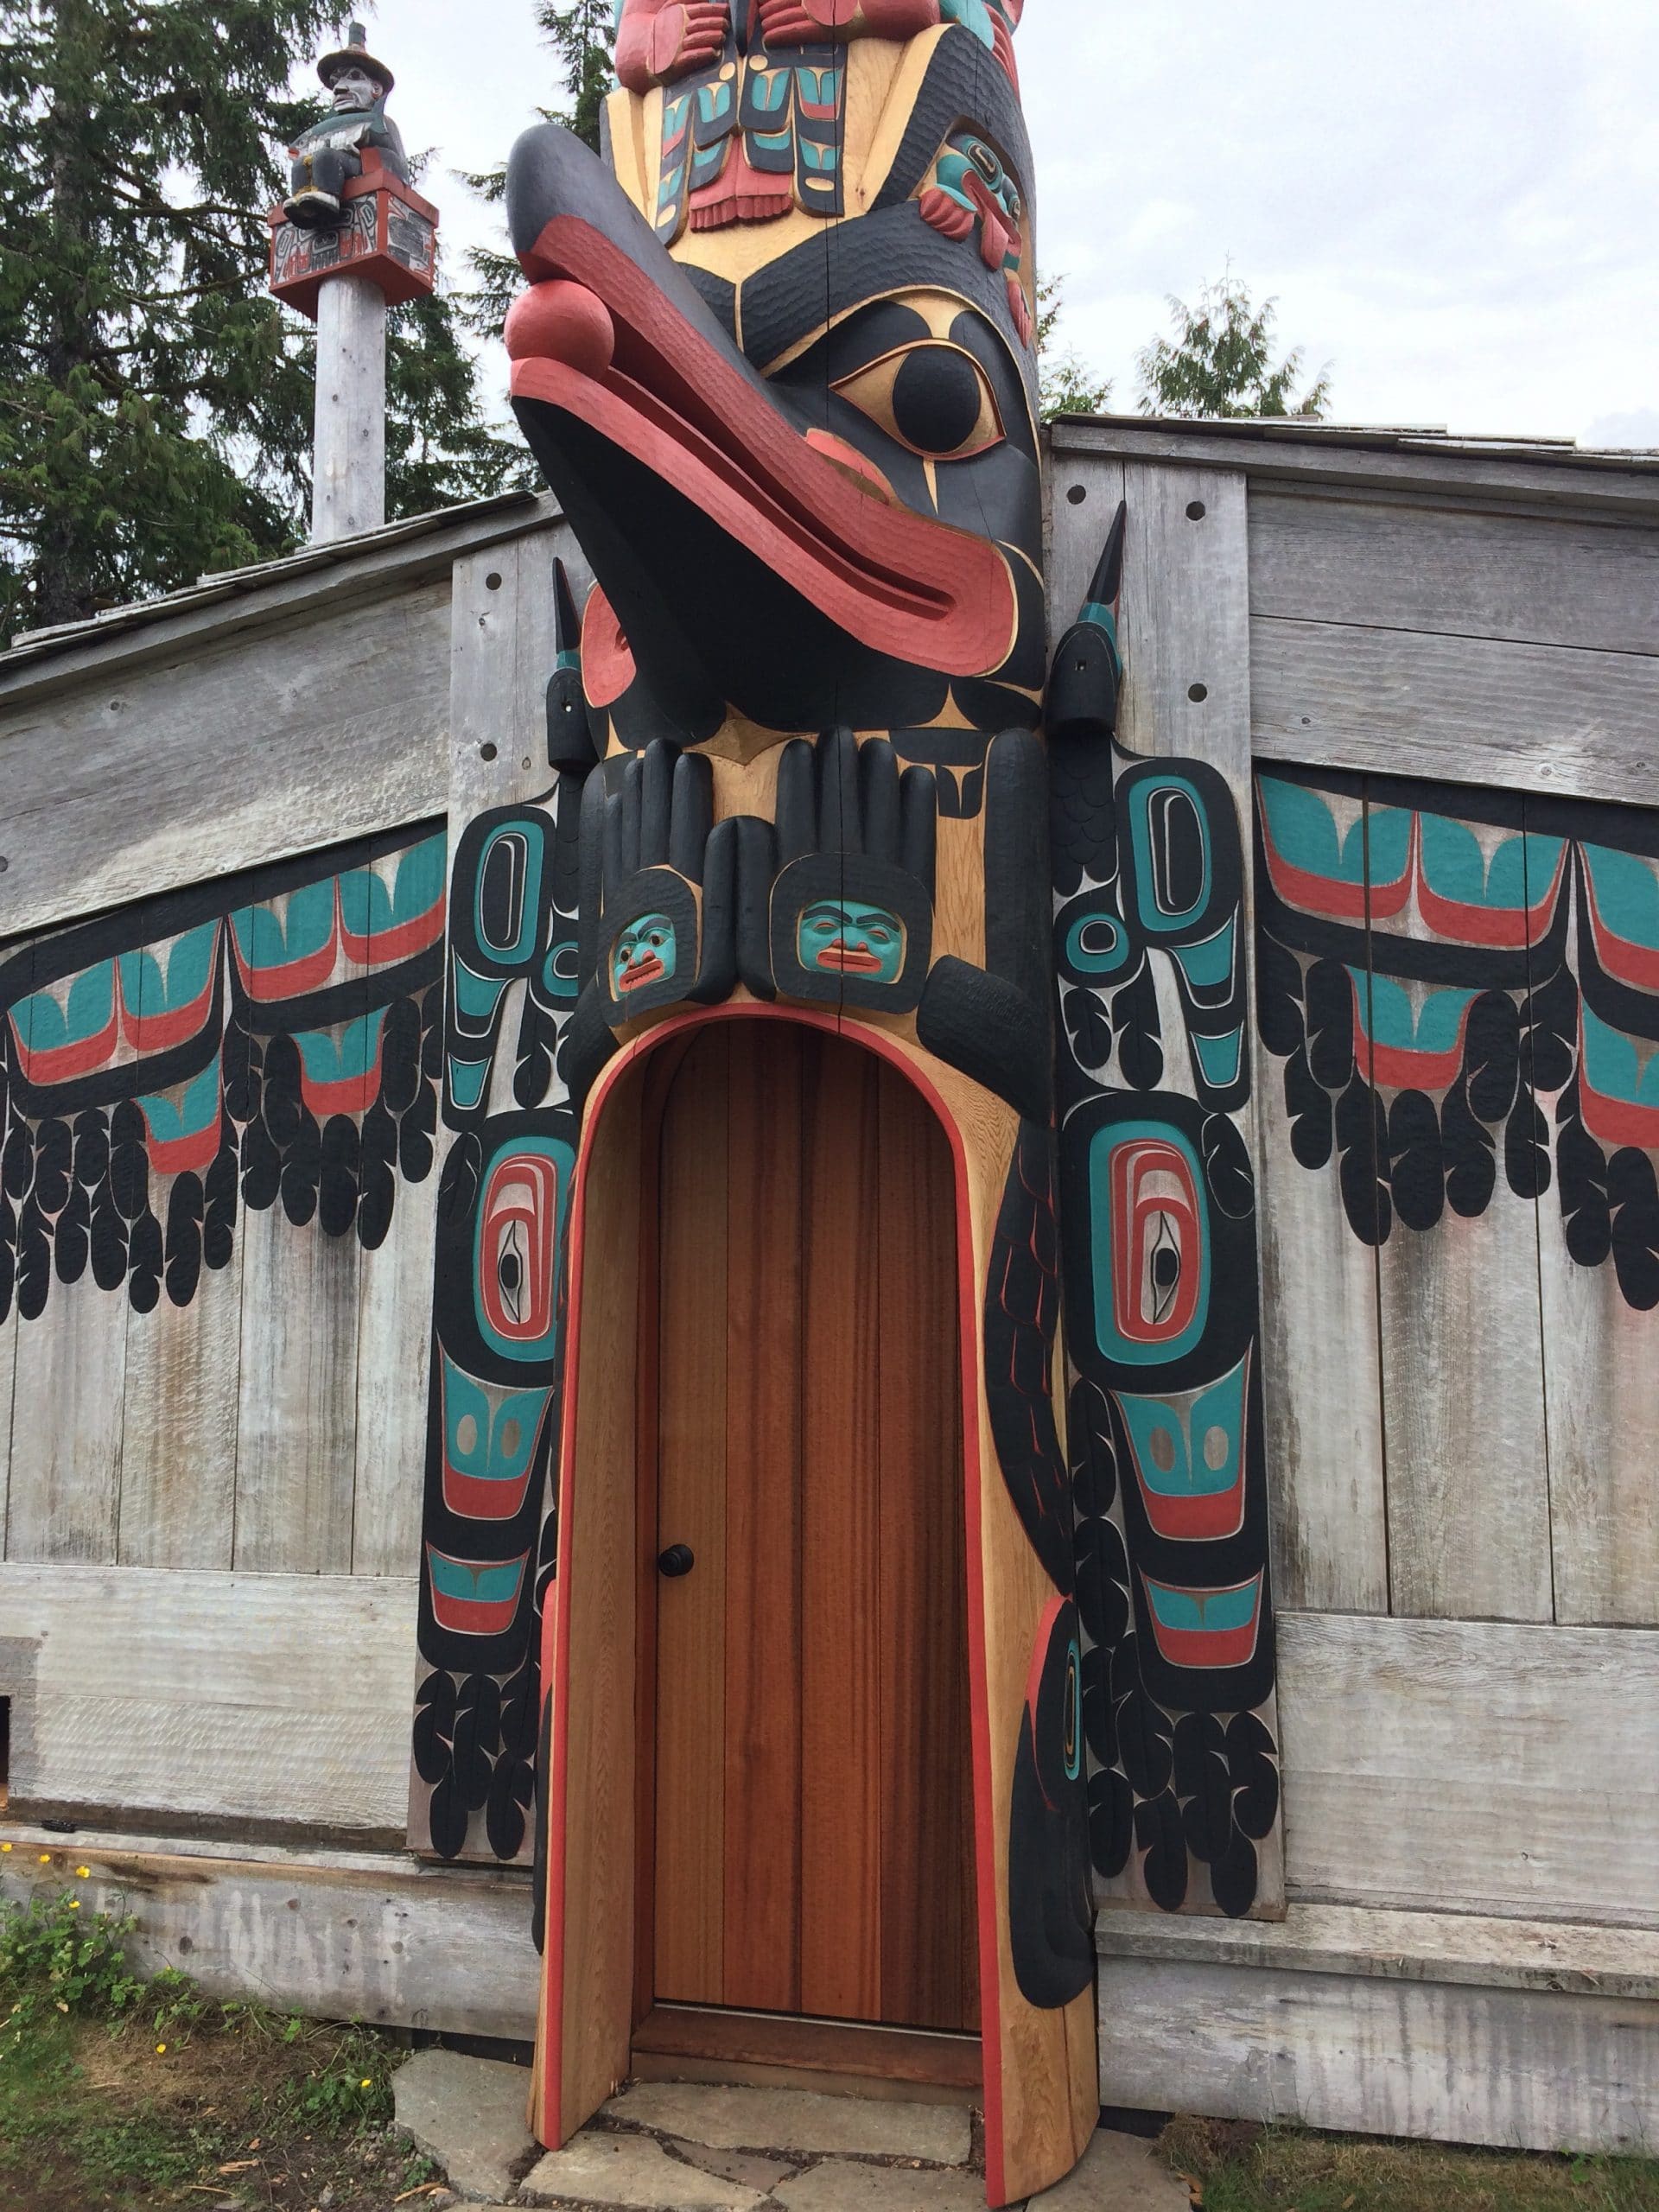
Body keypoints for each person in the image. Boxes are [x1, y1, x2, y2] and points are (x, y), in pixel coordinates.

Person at [283, 23, 409, 231]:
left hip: (365, 185)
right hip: (342, 194)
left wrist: (363, 144)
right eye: (335, 81)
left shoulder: (383, 122)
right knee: (300, 165)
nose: (339, 88)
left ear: (376, 88)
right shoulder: (329, 126)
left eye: (353, 77)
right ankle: (302, 203)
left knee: (326, 157)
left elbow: (399, 169)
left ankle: (326, 197)